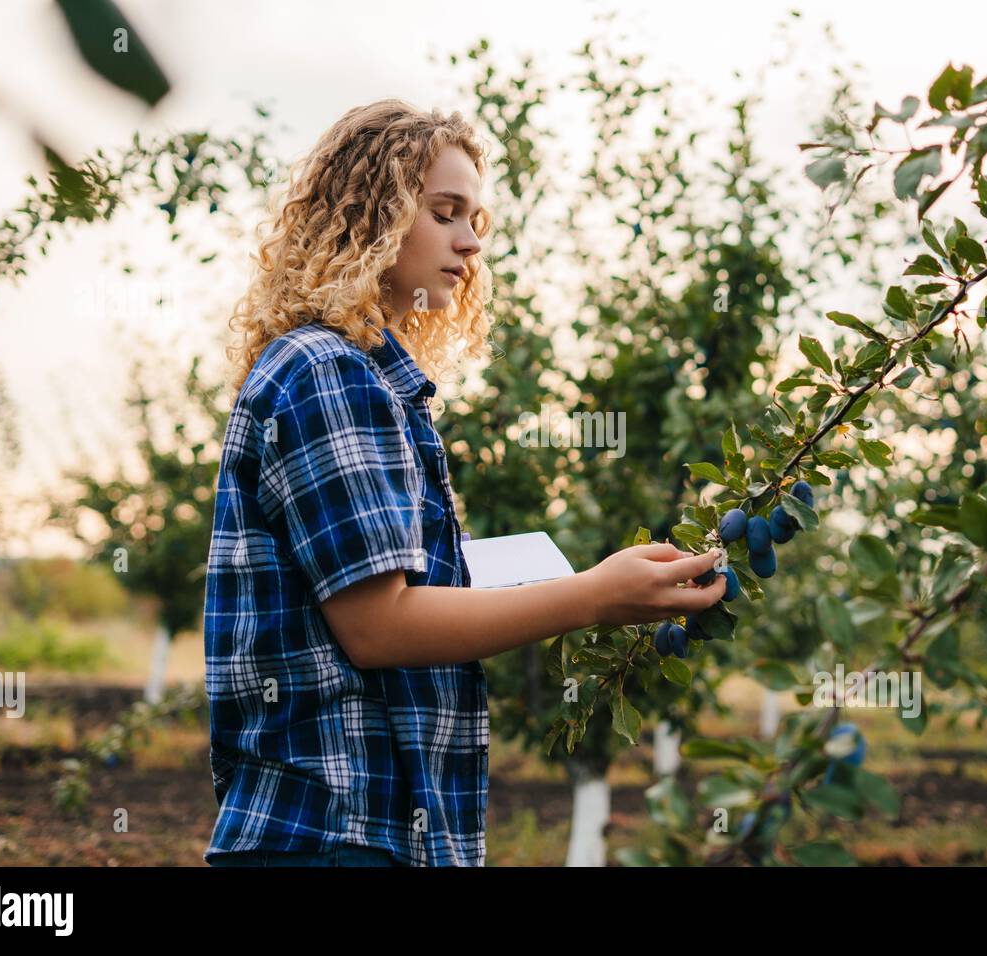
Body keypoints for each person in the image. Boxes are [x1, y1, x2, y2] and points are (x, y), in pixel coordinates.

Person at [203, 99, 726, 868]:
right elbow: (378, 627)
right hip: (333, 832)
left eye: (476, 220)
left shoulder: (374, 382)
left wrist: (570, 584)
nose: (469, 242)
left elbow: (398, 592)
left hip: (375, 830)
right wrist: (590, 597)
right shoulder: (325, 372)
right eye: (445, 213)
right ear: (369, 218)